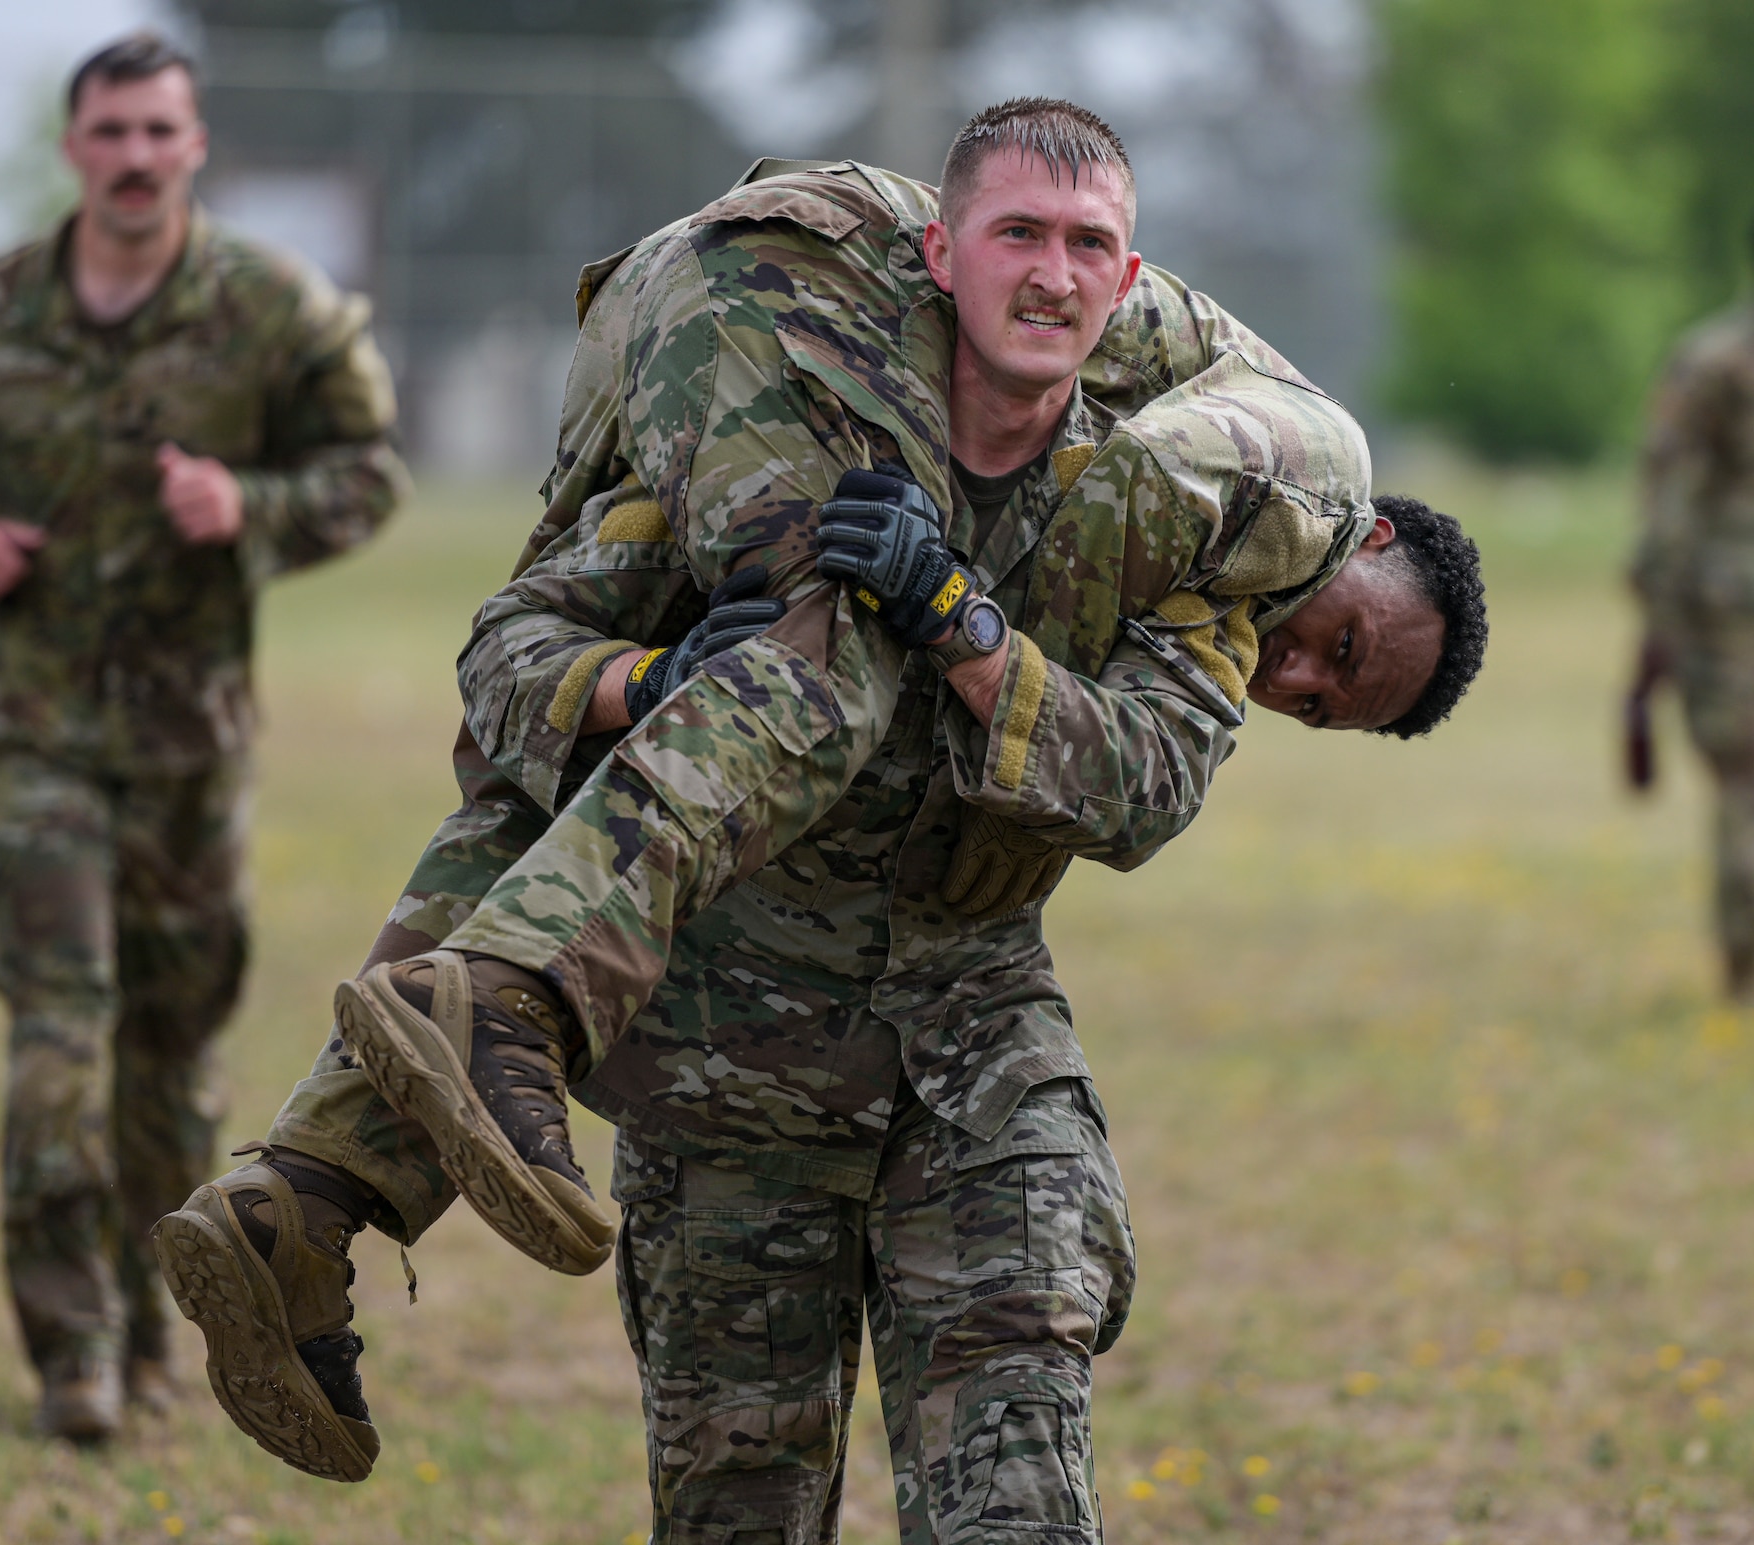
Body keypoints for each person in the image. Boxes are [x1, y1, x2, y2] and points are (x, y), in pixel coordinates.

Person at [157, 102, 1486, 1539]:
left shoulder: (1196, 597)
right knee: (740, 1506)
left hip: (968, 1057)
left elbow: (1137, 787)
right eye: (1339, 648)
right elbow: (512, 665)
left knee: (1018, 1491)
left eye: (1319, 704)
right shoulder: (779, 425)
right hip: (728, 1060)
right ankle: (347, 1156)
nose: (1294, 670)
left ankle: (335, 1163)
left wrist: (969, 624)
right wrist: (648, 678)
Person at [0, 32, 407, 1442]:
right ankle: (71, 1351)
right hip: (33, 725)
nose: (137, 156)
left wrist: (254, 512)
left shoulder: (273, 307)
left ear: (195, 144)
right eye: (111, 131)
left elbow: (367, 467)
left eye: (161, 130)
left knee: (172, 1052)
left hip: (189, 737)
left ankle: (156, 1329)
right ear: (74, 148)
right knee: (58, 1037)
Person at [1631, 250, 1754, 997]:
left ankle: (1746, 963)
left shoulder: (1714, 358)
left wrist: (1656, 599)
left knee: (1742, 777)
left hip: (1721, 597)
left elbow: (1667, 483)